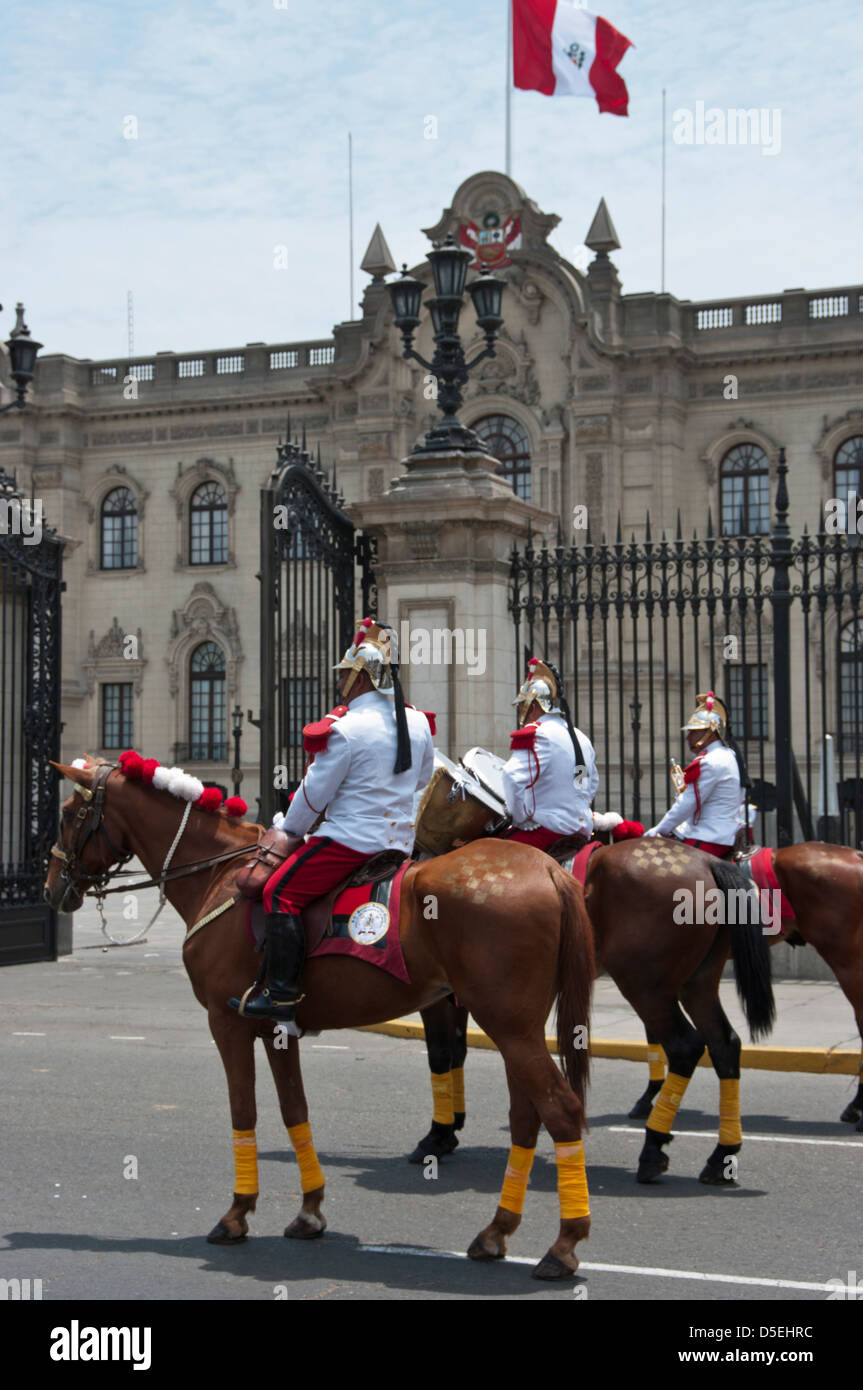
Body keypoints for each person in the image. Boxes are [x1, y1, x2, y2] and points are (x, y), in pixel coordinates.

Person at [229, 619, 434, 1029]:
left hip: (351, 842)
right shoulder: (417, 723)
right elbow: (423, 779)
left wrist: (288, 829)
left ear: (360, 678)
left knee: (279, 892)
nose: (341, 682)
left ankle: (282, 995)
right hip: (399, 844)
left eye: (345, 674)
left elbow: (313, 796)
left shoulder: (346, 729)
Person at [499, 657, 599, 852]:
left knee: (488, 854)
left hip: (548, 830)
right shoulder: (581, 738)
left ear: (533, 707)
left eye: (522, 707)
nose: (521, 712)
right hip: (582, 829)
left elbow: (511, 776)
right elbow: (588, 784)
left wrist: (520, 818)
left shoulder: (538, 733)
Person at [643, 691, 743, 857]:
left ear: (710, 733)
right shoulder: (728, 755)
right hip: (724, 834)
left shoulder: (709, 762)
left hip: (708, 835)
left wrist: (658, 830)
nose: (688, 737)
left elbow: (687, 803)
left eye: (694, 732)